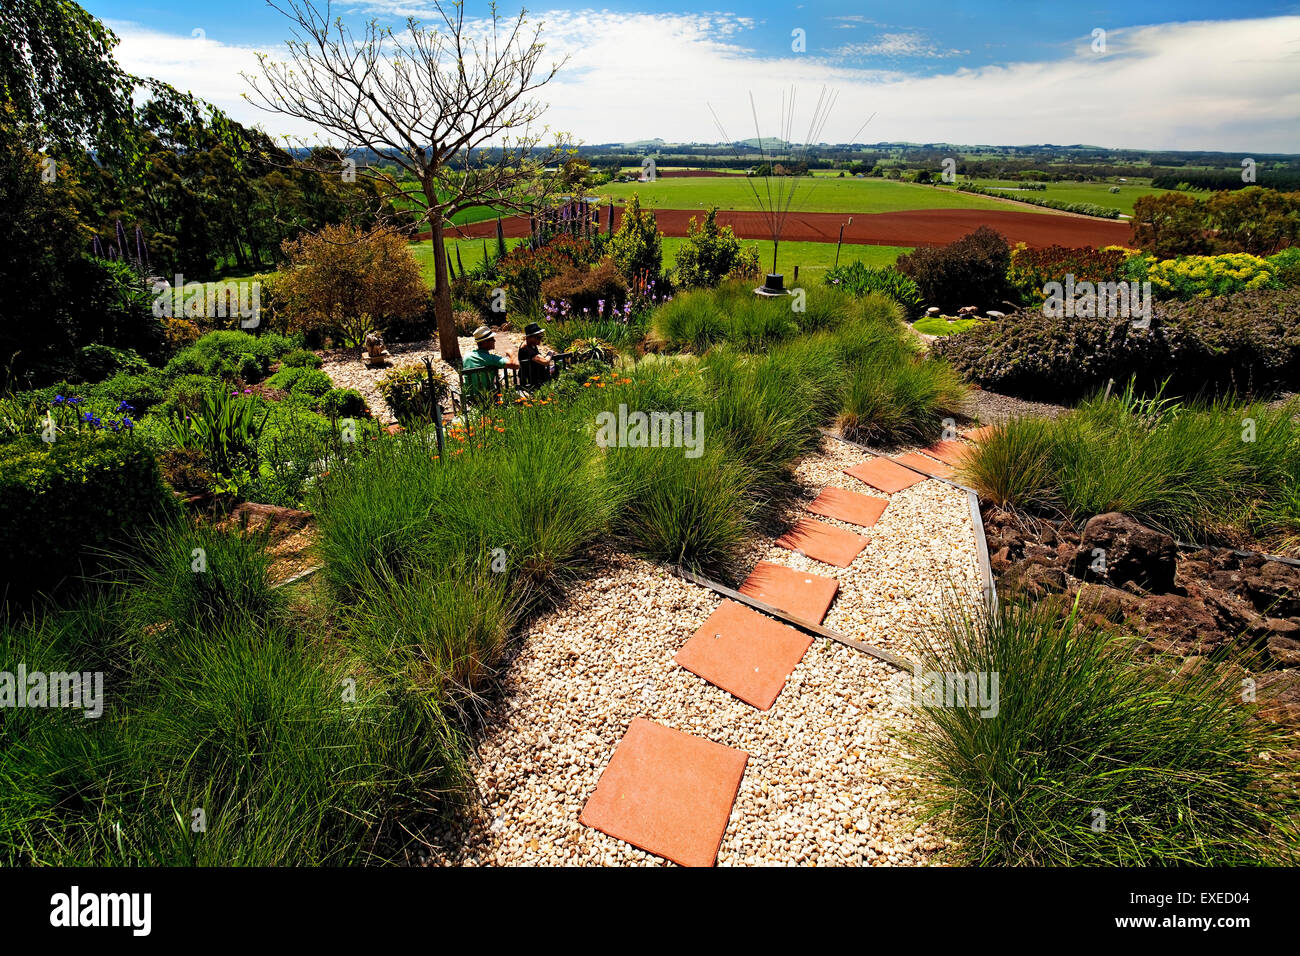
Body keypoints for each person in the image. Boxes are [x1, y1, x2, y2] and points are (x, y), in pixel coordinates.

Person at [462, 326, 518, 402]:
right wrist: (511, 353)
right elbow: (515, 365)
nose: (494, 341)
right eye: (491, 339)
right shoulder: (490, 359)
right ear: (484, 342)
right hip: (489, 398)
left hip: (471, 399)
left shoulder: (466, 357)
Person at [517, 322, 555, 390]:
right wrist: (550, 353)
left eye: (541, 337)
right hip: (531, 382)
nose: (540, 339)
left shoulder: (532, 344)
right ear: (529, 337)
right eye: (538, 337)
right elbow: (545, 361)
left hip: (535, 378)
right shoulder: (526, 348)